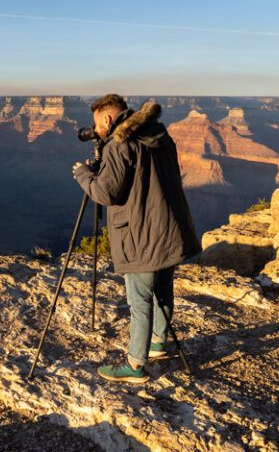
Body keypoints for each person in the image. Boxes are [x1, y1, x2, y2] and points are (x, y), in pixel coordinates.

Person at [72, 94, 201, 383]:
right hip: (170, 228)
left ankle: (134, 365)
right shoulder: (159, 133)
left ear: (107, 118)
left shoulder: (120, 144)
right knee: (163, 289)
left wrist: (84, 176)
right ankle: (158, 342)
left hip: (142, 235)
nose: (97, 131)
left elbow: (106, 193)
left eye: (98, 124)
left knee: (140, 300)